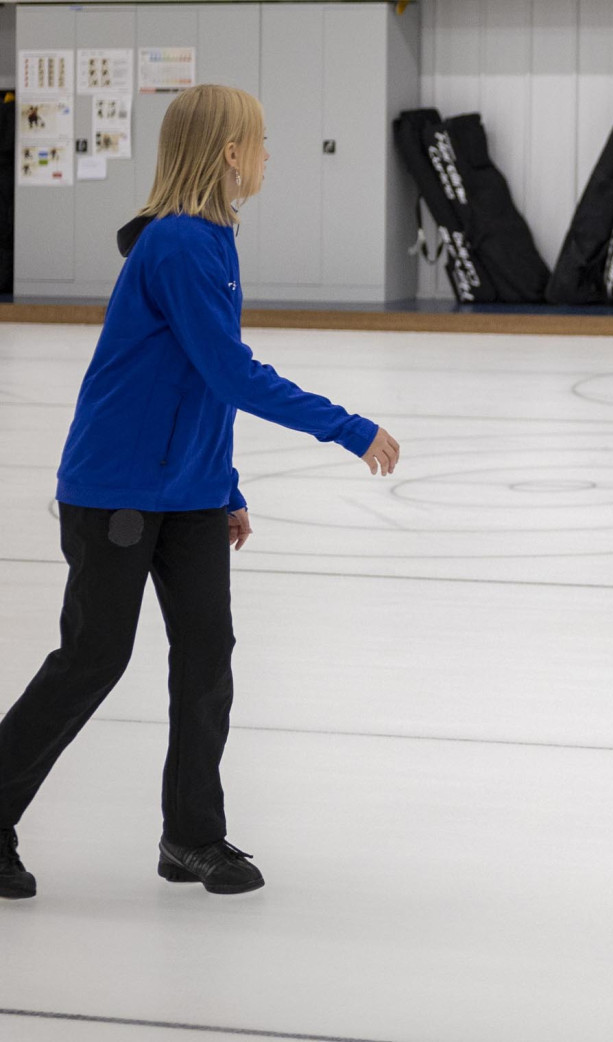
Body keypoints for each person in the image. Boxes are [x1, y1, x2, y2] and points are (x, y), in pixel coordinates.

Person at [0, 84, 401, 901]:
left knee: (207, 659)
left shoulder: (214, 238)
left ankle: (191, 838)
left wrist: (224, 486)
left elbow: (196, 381)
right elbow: (230, 372)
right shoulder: (180, 246)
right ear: (227, 153)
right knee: (92, 659)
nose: (267, 156)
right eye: (260, 141)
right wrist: (347, 427)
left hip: (186, 495)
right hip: (116, 490)